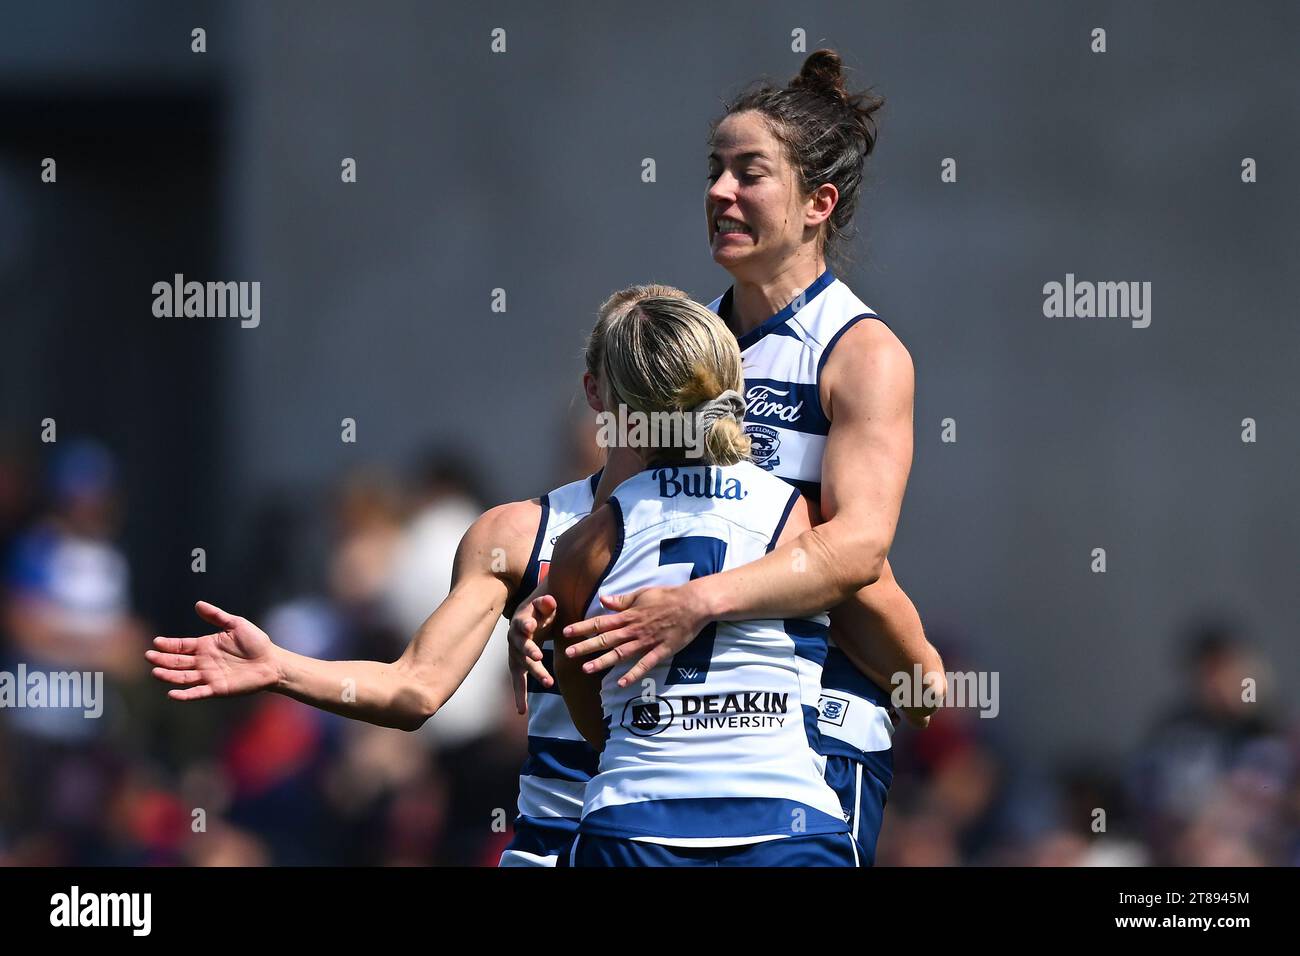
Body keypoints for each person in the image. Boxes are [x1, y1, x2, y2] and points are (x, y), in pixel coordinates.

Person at [531, 49, 946, 863]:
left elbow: (859, 548)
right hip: (671, 736)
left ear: (818, 202)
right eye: (715, 170)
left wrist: (699, 603)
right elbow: (616, 510)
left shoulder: (861, 353)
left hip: (816, 725)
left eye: (749, 173)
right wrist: (541, 607)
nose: (719, 192)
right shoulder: (684, 344)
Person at [147, 286, 676, 867]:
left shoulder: (755, 515)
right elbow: (417, 687)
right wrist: (278, 666)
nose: (656, 401)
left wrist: (695, 604)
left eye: (673, 374)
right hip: (562, 842)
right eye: (635, 375)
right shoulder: (518, 533)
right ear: (594, 392)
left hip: (693, 838)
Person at [546, 291, 857, 865]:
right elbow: (876, 599)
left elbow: (575, 676)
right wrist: (928, 681)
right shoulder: (796, 518)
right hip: (783, 823)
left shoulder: (584, 544)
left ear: (615, 406)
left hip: (636, 822)